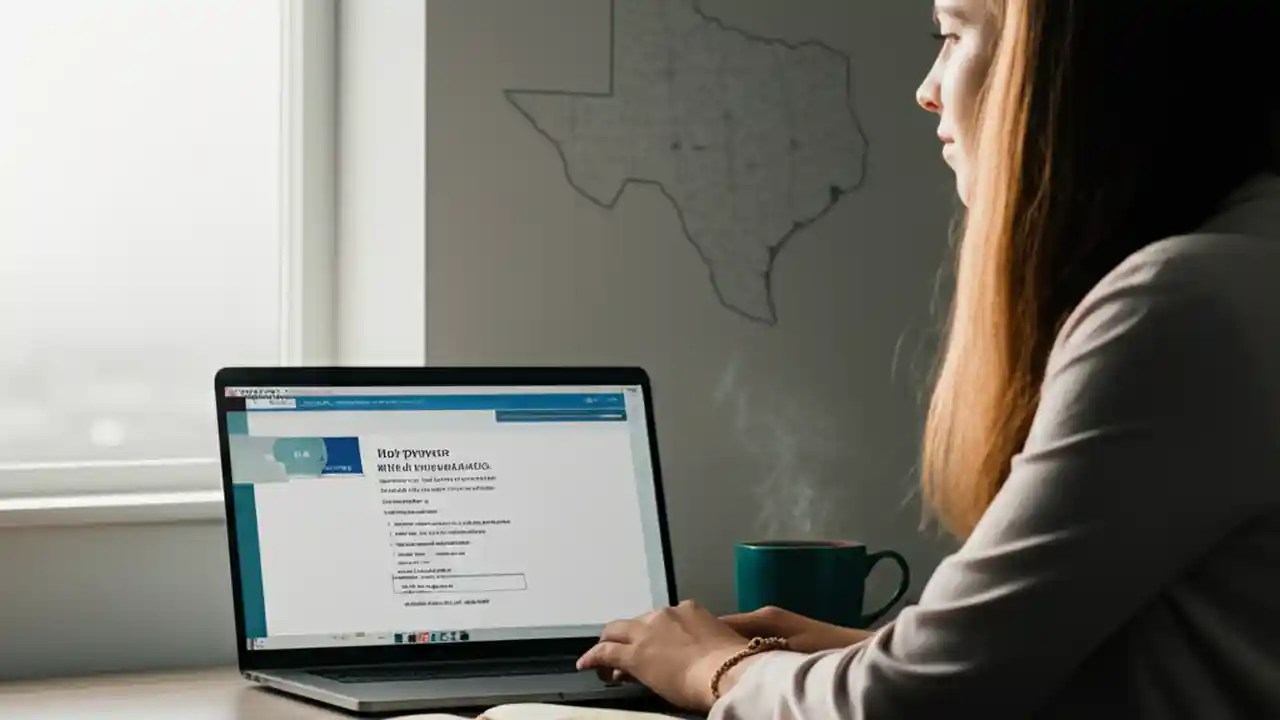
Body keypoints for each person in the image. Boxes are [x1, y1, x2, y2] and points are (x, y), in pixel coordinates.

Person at [576, 0, 1280, 716]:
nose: (928, 86)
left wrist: (712, 670)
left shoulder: (1185, 306)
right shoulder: (1246, 267)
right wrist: (869, 648)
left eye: (953, 35)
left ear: (1077, 66)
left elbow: (905, 708)